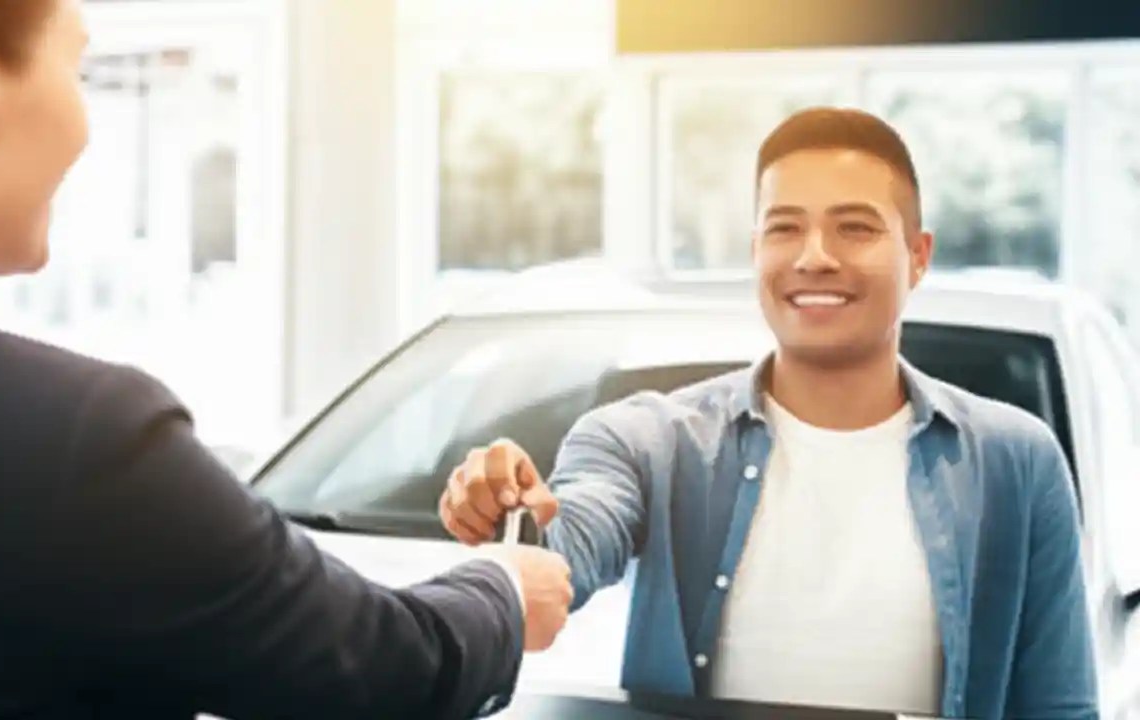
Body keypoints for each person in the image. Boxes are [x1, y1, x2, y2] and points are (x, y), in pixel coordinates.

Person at [0, 1, 574, 718]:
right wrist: (503, 588)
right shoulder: (72, 438)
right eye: (78, 68)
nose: (84, 127)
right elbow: (380, 670)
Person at [440, 107, 1098, 719]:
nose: (814, 255)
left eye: (855, 227)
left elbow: (1060, 706)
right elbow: (572, 541)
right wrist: (510, 512)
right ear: (757, 250)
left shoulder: (1018, 460)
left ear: (918, 256)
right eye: (785, 227)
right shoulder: (648, 440)